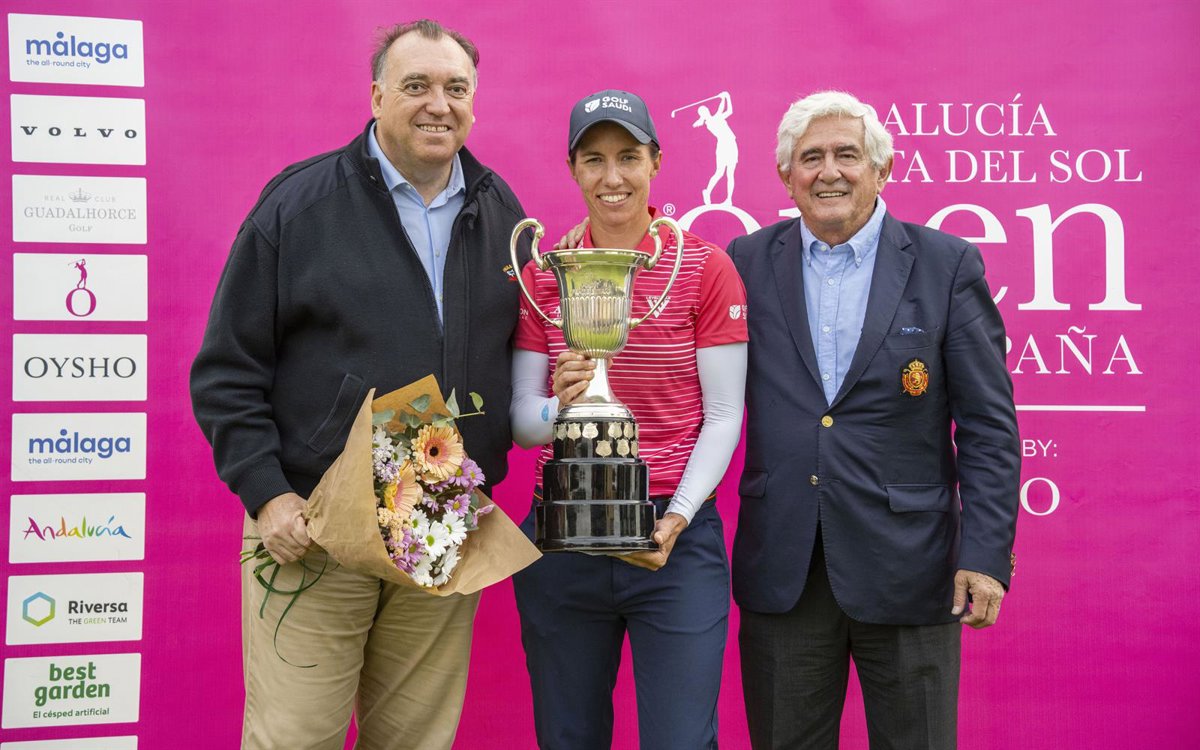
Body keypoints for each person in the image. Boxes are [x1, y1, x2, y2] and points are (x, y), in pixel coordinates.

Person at [190, 20, 528, 750]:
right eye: (416, 86)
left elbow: (507, 363)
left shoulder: (501, 212)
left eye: (455, 88)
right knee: (296, 736)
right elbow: (227, 368)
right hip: (314, 522)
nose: (438, 104)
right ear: (377, 96)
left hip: (439, 512)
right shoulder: (299, 206)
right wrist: (267, 492)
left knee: (415, 739)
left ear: (474, 101)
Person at [727, 90, 1020, 750]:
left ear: (882, 170)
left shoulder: (946, 265)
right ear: (785, 176)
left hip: (912, 572)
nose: (828, 171)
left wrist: (985, 555)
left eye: (846, 155)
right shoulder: (743, 262)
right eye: (810, 157)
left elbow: (988, 425)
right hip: (786, 572)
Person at [509, 89, 748, 749]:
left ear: (656, 162)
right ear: (573, 168)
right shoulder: (545, 275)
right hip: (562, 536)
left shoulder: (704, 268)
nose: (612, 177)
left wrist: (676, 520)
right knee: (568, 737)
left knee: (680, 740)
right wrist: (560, 404)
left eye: (628, 157)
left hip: (673, 538)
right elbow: (525, 423)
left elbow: (725, 415)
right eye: (594, 160)